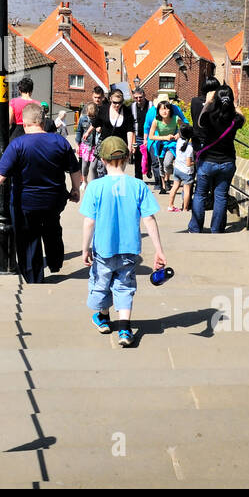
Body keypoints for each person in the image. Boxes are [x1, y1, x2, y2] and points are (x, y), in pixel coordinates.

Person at [0, 102, 81, 283]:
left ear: (25, 124)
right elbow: (75, 170)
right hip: (54, 200)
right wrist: (75, 190)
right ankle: (55, 261)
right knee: (52, 228)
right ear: (42, 122)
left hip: (25, 203)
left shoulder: (18, 144)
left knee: (29, 240)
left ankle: (34, 278)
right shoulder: (60, 141)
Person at [79, 136, 167, 348]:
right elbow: (149, 219)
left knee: (101, 283)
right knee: (124, 286)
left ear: (102, 160)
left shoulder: (95, 187)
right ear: (128, 157)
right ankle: (125, 328)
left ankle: (103, 317)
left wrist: (85, 248)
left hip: (103, 249)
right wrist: (158, 250)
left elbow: (89, 222)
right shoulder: (138, 186)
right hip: (129, 249)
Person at [189, 85, 245, 234]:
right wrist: (233, 104)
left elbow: (199, 122)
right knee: (221, 196)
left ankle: (195, 228)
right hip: (227, 162)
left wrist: (208, 103)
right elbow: (243, 118)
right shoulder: (235, 119)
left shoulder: (209, 115)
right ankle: (217, 229)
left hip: (207, 162)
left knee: (200, 194)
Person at [93, 87, 135, 181]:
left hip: (120, 146)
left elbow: (130, 130)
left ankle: (117, 191)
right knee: (103, 171)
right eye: (115, 102)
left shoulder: (127, 111)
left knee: (118, 171)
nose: (117, 105)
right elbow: (95, 123)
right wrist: (95, 129)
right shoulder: (103, 109)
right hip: (106, 145)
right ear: (110, 99)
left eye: (119, 103)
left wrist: (129, 146)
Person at [146, 99, 185, 194]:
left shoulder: (176, 118)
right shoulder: (156, 121)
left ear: (170, 110)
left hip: (172, 144)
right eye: (162, 109)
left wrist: (178, 135)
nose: (165, 111)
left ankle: (167, 179)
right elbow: (151, 136)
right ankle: (163, 185)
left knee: (167, 163)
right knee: (160, 165)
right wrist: (164, 137)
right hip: (160, 144)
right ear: (158, 111)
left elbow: (183, 129)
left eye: (167, 109)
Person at [165, 124, 194, 212]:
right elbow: (189, 163)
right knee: (186, 190)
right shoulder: (189, 147)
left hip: (177, 169)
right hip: (186, 171)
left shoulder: (179, 142)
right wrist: (196, 162)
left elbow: (179, 135)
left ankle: (170, 205)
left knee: (174, 187)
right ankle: (185, 208)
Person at [127, 87, 152, 181]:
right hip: (137, 136)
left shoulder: (151, 106)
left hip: (150, 137)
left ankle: (148, 169)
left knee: (149, 156)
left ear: (144, 95)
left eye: (140, 97)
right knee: (137, 158)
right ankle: (138, 179)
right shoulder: (131, 107)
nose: (138, 100)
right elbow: (130, 125)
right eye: (136, 98)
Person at [77, 101, 99, 183]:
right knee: (84, 166)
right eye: (90, 116)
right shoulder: (83, 119)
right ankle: (85, 182)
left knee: (93, 167)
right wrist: (77, 145)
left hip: (95, 146)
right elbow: (79, 131)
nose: (91, 118)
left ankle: (93, 183)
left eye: (93, 116)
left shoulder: (99, 119)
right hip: (85, 145)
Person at [8, 76, 36, 141]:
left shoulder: (13, 102)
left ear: (20, 90)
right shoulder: (37, 104)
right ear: (31, 90)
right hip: (31, 133)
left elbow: (9, 120)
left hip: (15, 132)